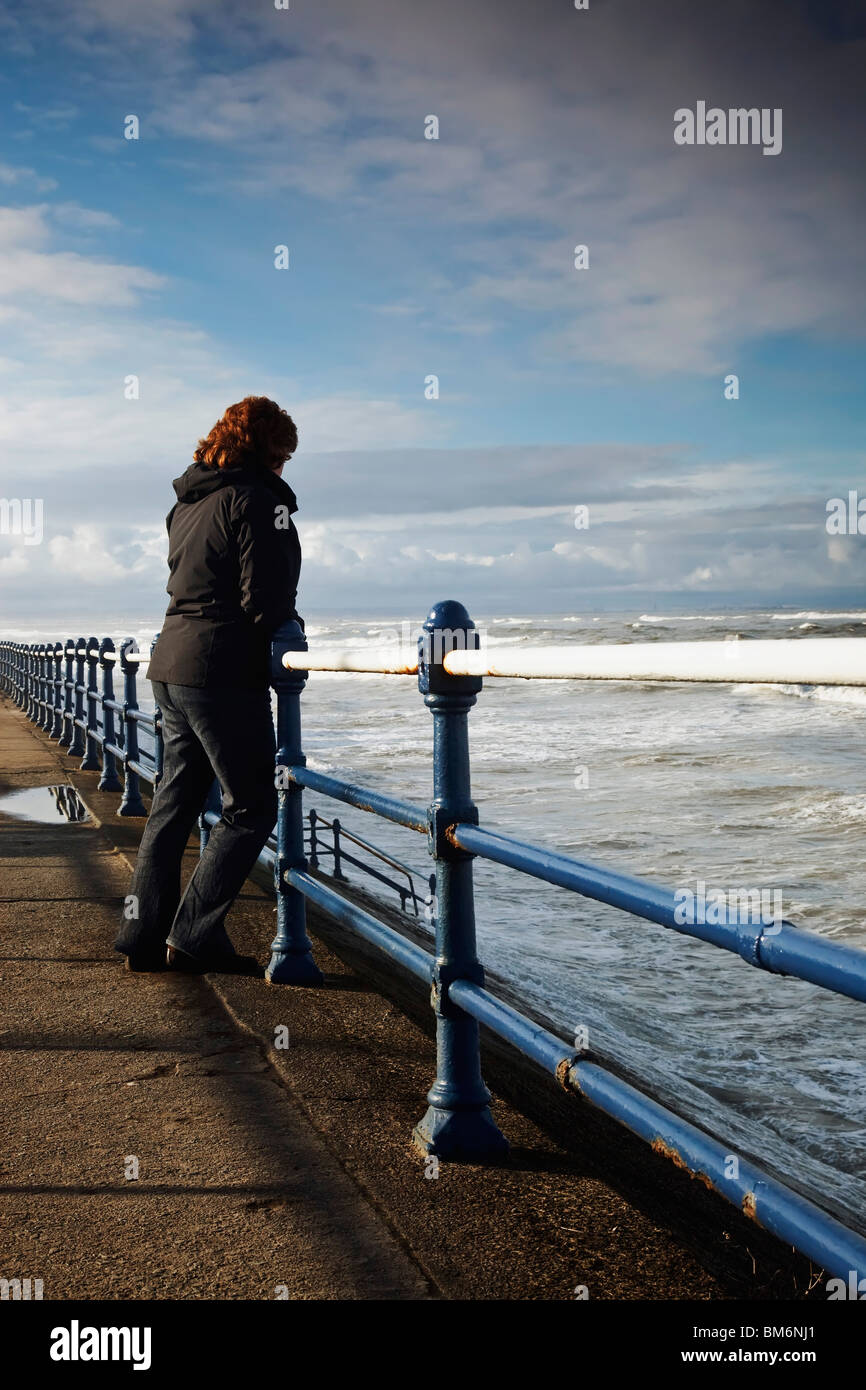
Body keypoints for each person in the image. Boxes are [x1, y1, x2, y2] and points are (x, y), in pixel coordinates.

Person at [114, 396, 303, 974]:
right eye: (283, 455)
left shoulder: (187, 505)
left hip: (171, 664)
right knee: (251, 806)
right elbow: (263, 599)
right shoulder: (257, 501)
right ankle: (194, 935)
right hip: (220, 672)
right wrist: (289, 629)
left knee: (173, 803)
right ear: (266, 450)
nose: (285, 468)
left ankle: (142, 939)